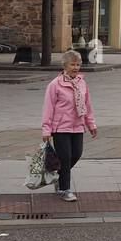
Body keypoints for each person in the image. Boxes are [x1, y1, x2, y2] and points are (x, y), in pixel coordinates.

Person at [41, 49, 98, 202]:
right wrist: (46, 129)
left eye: (78, 64)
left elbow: (87, 105)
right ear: (65, 65)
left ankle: (59, 178)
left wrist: (91, 124)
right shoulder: (55, 85)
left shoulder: (82, 83)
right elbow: (48, 108)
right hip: (60, 128)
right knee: (65, 158)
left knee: (76, 154)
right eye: (72, 64)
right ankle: (65, 189)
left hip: (78, 126)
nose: (76, 67)